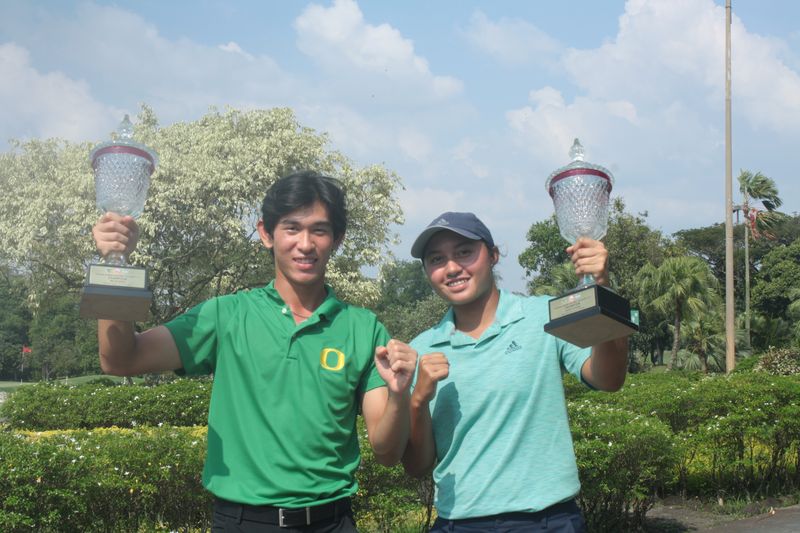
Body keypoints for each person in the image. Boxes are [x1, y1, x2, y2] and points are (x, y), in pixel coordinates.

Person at [93, 171, 417, 533]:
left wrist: (399, 395)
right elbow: (120, 359)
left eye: (320, 230)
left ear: (337, 239)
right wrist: (112, 266)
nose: (305, 244)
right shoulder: (226, 315)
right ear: (266, 233)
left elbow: (387, 453)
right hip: (243, 522)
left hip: (332, 521)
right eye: (292, 228)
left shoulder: (363, 328)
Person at [402, 212, 629, 532]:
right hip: (459, 523)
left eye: (464, 251)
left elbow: (608, 378)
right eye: (437, 259)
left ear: (493, 255)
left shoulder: (546, 315)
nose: (452, 268)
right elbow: (417, 465)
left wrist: (600, 290)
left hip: (549, 519)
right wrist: (418, 400)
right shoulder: (420, 349)